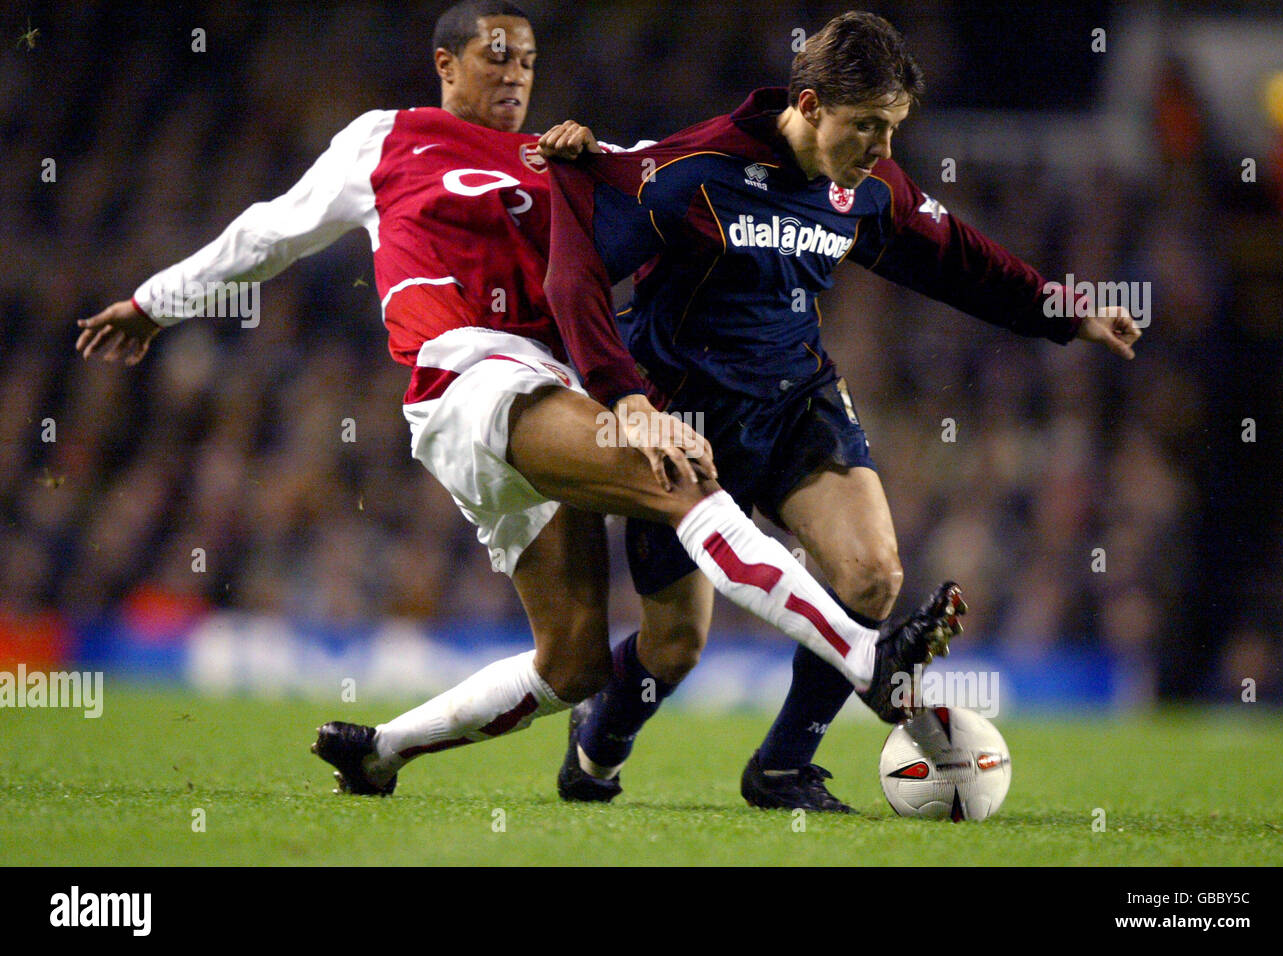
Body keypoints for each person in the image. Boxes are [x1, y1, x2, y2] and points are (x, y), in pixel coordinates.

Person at [76, 1, 963, 797]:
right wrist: (157, 302)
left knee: (574, 661)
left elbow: (678, 184)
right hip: (467, 378)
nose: (513, 73)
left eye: (527, 60)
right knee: (682, 471)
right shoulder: (384, 139)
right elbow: (269, 229)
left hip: (542, 398)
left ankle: (381, 752)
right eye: (493, 55)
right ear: (445, 65)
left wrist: (604, 165)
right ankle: (867, 659)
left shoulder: (560, 158)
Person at [544, 10, 1140, 811]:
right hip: (686, 420)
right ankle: (599, 741)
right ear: (812, 104)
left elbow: (956, 257)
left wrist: (1065, 309)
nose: (885, 150)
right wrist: (620, 393)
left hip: (798, 398)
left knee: (872, 575)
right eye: (869, 127)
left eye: (893, 129)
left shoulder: (866, 187)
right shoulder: (693, 172)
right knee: (675, 648)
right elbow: (575, 257)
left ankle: (785, 766)